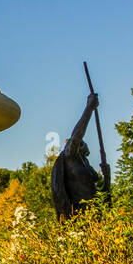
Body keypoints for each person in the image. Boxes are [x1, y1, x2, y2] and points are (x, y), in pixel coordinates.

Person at [51, 92, 107, 221]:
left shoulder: (85, 164)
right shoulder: (70, 158)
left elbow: (101, 195)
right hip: (81, 217)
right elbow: (76, 137)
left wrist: (107, 176)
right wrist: (89, 108)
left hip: (97, 216)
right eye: (79, 143)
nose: (81, 143)